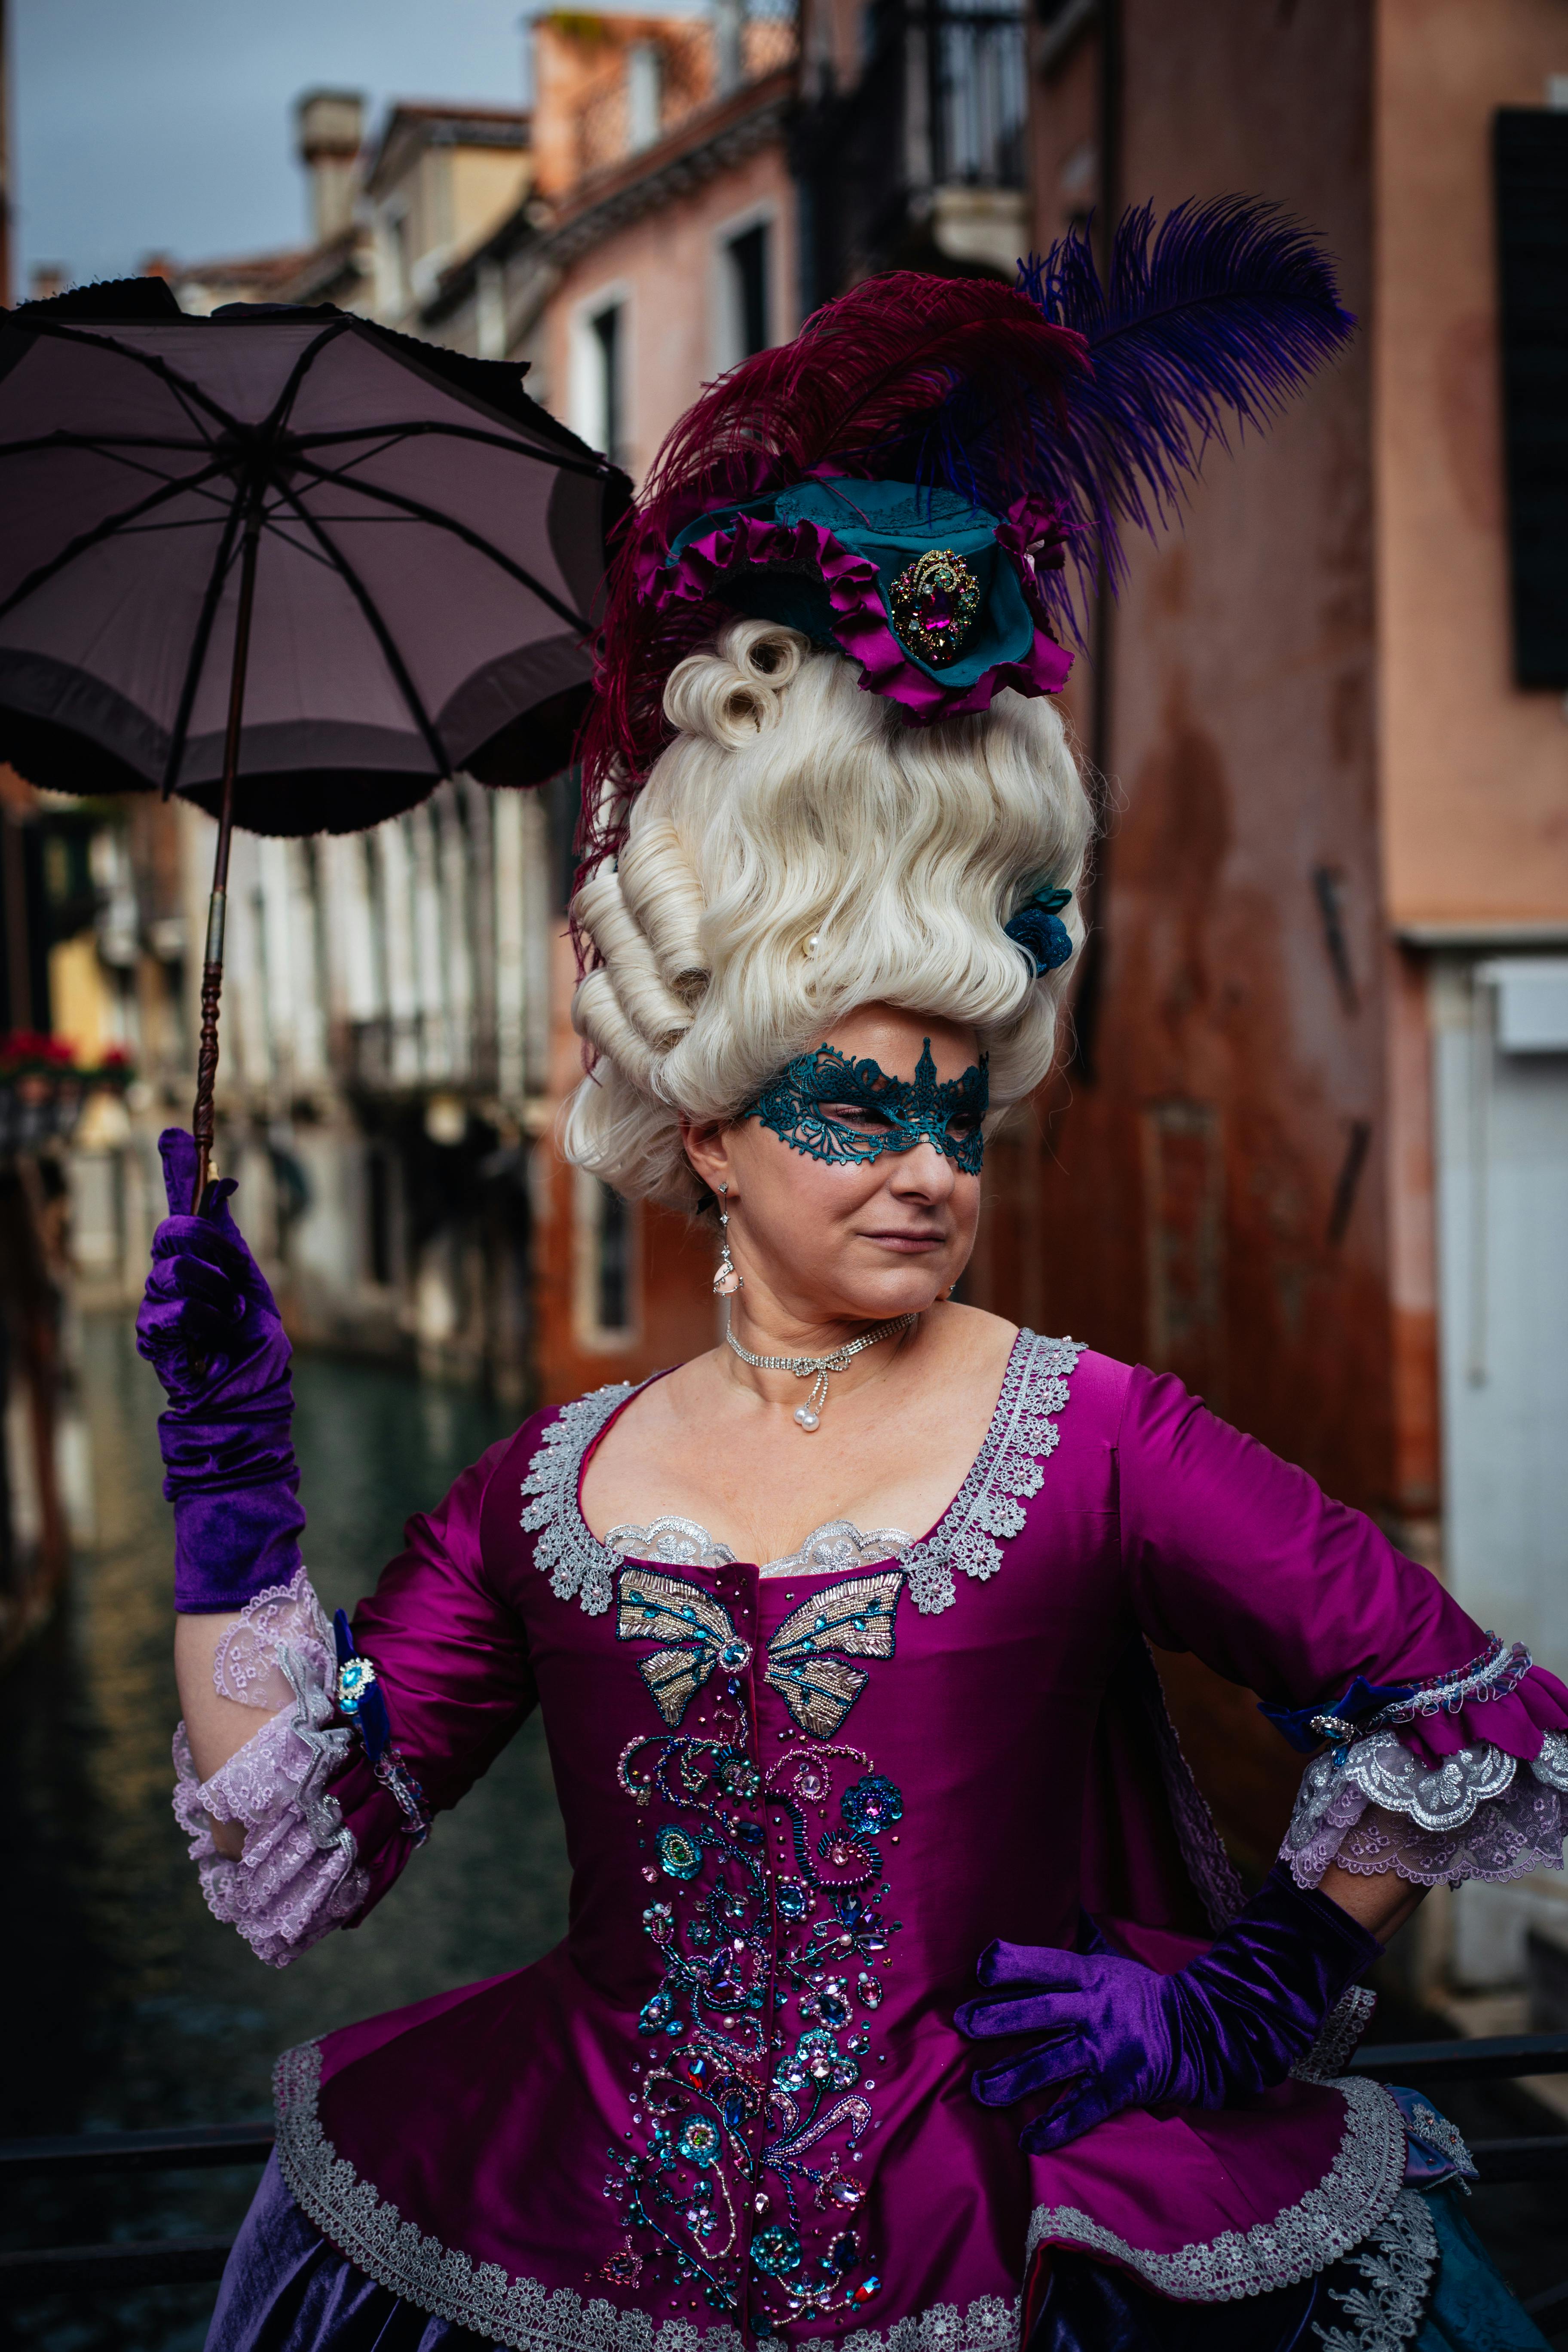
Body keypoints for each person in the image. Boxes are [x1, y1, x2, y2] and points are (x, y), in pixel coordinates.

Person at [139, 211, 1568, 2352]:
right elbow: (306, 1848)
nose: (923, 1169)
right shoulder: (550, 1487)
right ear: (701, 1121)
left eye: (957, 1109)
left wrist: (1254, 1994)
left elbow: (1451, 1708)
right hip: (573, 2250)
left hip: (1025, 2260)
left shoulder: (1088, 1437)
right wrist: (229, 1481)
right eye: (846, 1106)